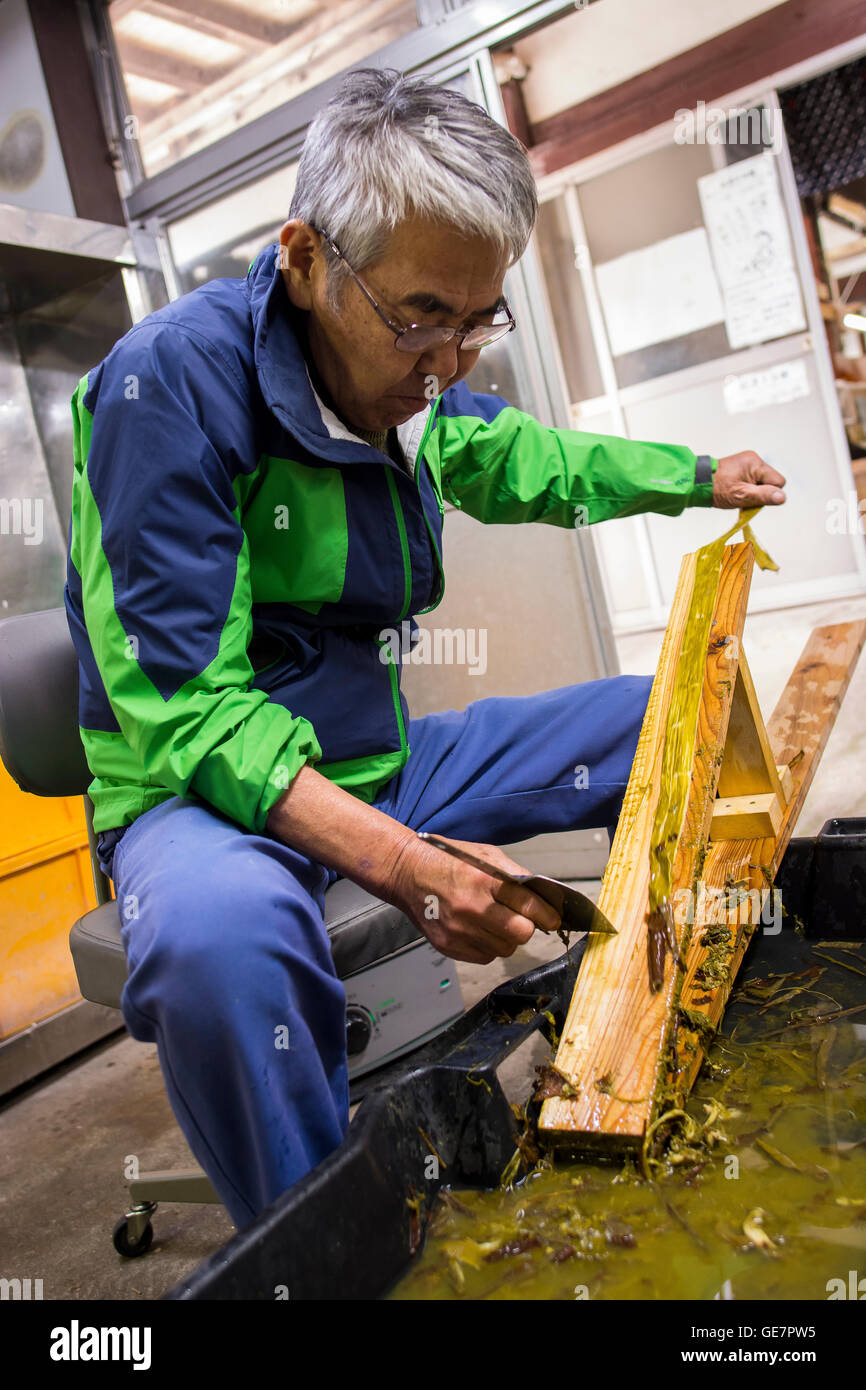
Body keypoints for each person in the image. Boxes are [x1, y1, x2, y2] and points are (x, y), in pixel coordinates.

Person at [64, 69, 786, 1231]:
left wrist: (695, 477)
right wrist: (407, 867)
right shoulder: (172, 388)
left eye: (474, 318)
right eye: (418, 317)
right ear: (304, 258)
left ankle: (659, 1029)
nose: (446, 360)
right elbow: (192, 711)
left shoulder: (414, 383)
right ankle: (321, 1246)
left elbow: (526, 462)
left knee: (672, 710)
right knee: (222, 941)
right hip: (192, 799)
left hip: (377, 755)